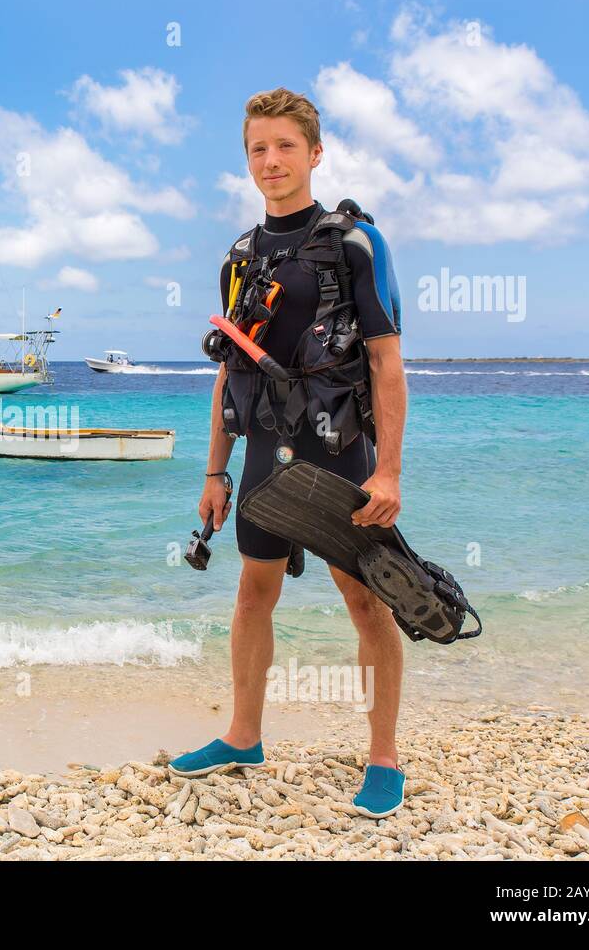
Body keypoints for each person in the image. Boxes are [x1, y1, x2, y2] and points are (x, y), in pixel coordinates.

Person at [171, 87, 410, 819]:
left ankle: (383, 757)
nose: (270, 161)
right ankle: (243, 736)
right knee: (252, 594)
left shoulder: (354, 246)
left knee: (366, 600)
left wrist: (390, 469)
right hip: (263, 453)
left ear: (314, 152)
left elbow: (386, 364)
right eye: (257, 149)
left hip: (338, 451)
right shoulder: (240, 256)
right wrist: (214, 470)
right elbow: (229, 368)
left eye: (283, 147)